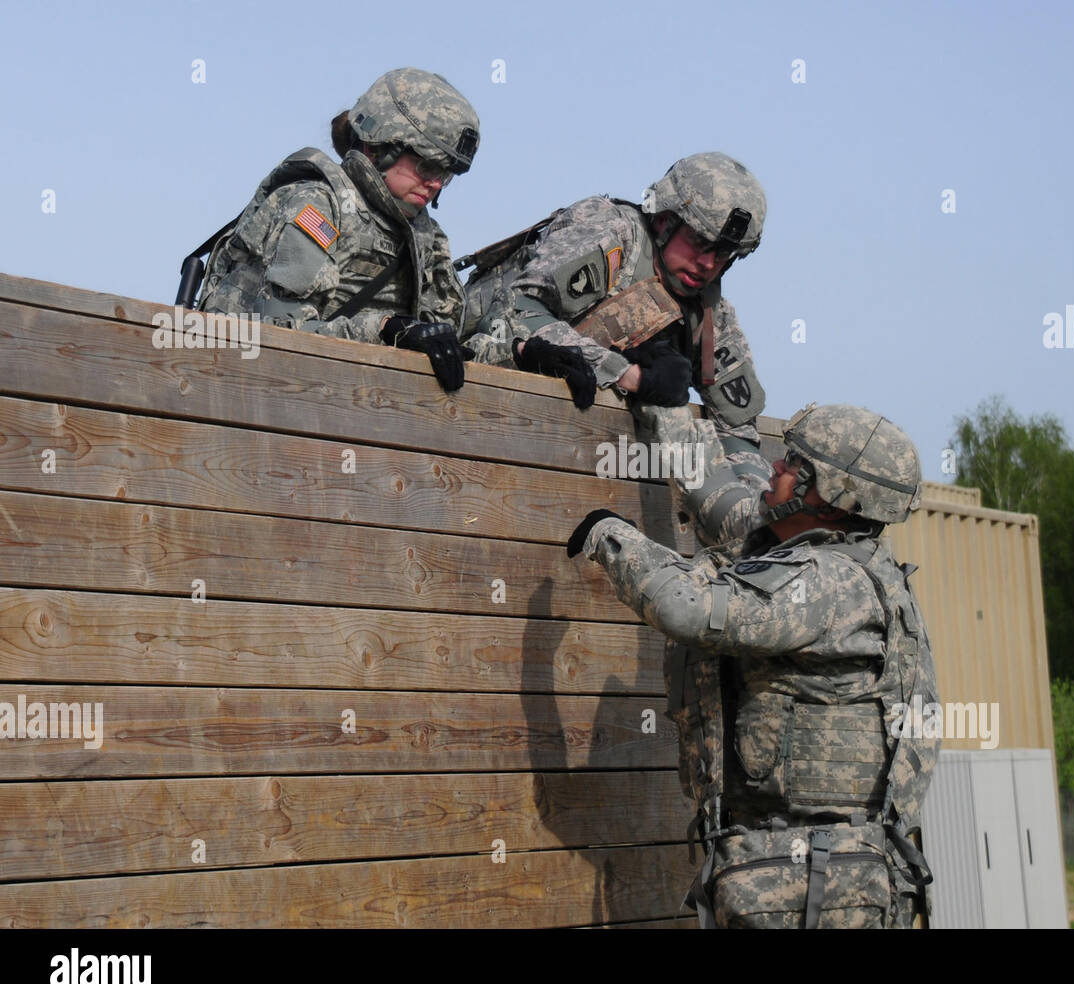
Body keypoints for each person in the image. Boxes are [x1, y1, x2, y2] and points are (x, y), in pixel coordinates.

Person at [567, 403, 941, 928]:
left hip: (804, 886)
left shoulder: (826, 582)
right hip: (821, 872)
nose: (775, 468)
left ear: (829, 499)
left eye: (792, 464)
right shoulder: (848, 564)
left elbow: (688, 609)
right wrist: (666, 403)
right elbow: (726, 504)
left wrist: (611, 536)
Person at [460, 153, 771, 512]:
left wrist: (756, 504)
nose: (708, 265)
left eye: (724, 255)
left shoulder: (710, 310)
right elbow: (513, 312)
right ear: (664, 222)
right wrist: (628, 375)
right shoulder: (611, 231)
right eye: (700, 243)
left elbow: (739, 428)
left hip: (568, 462)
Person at [194, 67, 479, 390]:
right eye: (428, 165)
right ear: (379, 148)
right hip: (249, 390)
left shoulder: (426, 236)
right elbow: (279, 332)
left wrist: (520, 351)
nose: (436, 183)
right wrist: (385, 328)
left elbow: (448, 341)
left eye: (447, 174)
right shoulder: (319, 205)